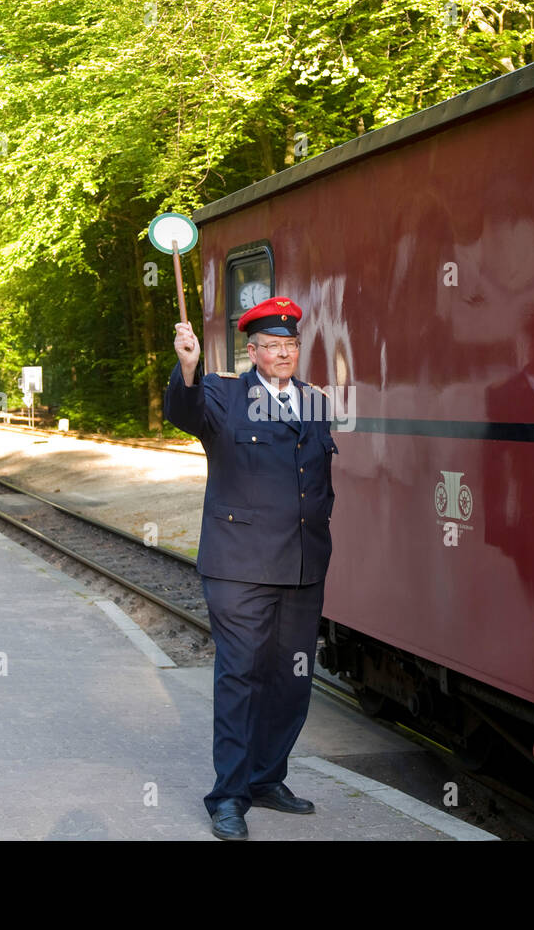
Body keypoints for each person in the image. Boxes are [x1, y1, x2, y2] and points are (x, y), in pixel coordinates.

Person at [164, 297, 339, 840]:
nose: (283, 353)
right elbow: (183, 410)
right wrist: (188, 365)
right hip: (240, 568)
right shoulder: (222, 394)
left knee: (291, 681)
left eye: (290, 345)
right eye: (272, 346)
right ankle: (229, 795)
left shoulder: (314, 401)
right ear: (253, 351)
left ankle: (266, 778)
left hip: (303, 565)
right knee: (241, 678)